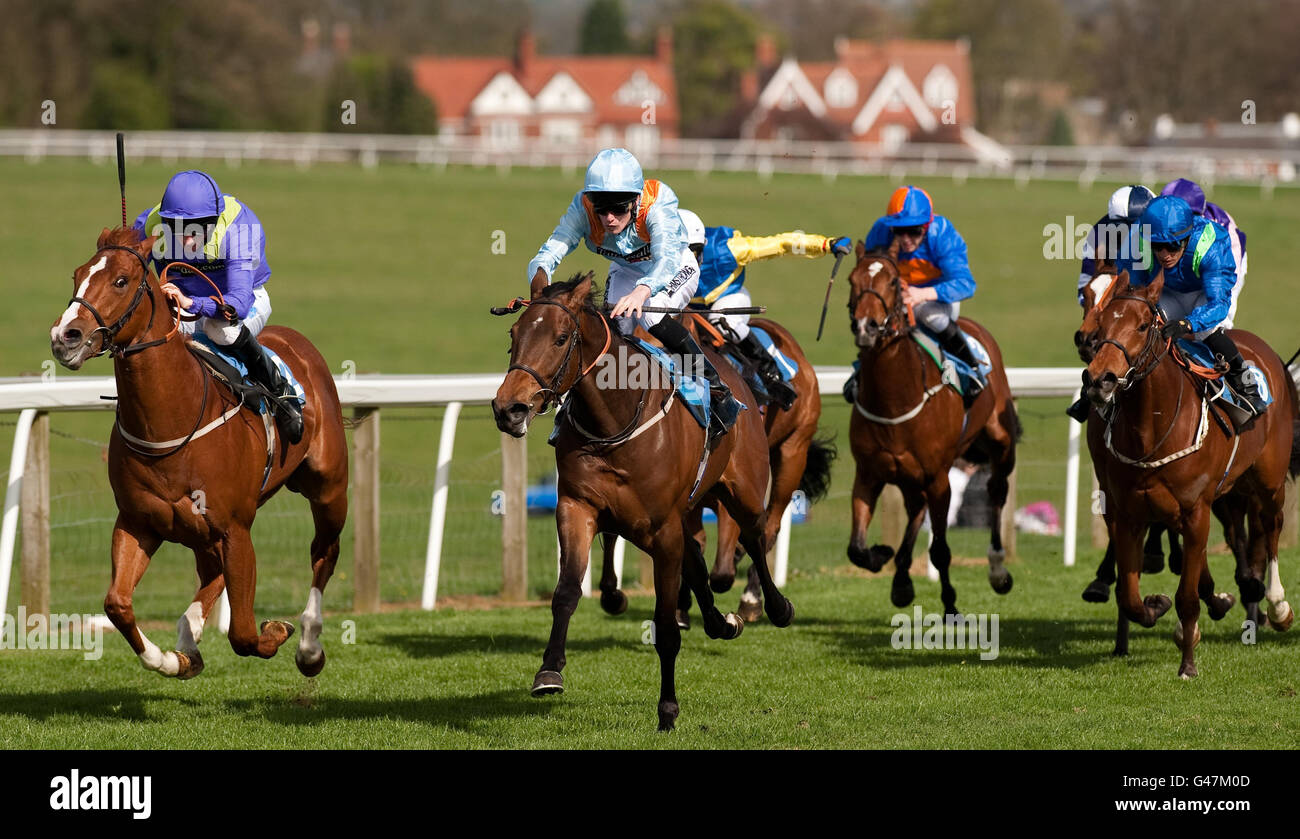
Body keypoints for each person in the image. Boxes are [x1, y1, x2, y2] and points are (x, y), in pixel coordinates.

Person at [526, 148, 743, 442]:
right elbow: (550, 251)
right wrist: (539, 283)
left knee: (651, 313)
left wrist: (642, 292)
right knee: (611, 330)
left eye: (618, 209)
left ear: (635, 200)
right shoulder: (583, 207)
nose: (609, 219)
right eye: (602, 209)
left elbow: (666, 259)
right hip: (626, 270)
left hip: (674, 266)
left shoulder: (656, 201)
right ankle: (583, 406)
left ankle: (716, 389)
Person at [133, 170, 302, 444]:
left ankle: (280, 387)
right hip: (180, 305)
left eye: (195, 230)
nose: (186, 241)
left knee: (221, 331)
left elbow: (237, 305)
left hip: (241, 302)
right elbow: (120, 262)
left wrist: (192, 303)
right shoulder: (152, 223)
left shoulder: (239, 228)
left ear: (212, 222)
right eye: (177, 228)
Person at [677, 207, 851, 409]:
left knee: (725, 324)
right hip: (687, 304)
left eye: (691, 252)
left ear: (702, 248)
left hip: (728, 298)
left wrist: (825, 244)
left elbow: (781, 244)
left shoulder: (730, 249)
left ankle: (771, 372)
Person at [1120, 195, 1266, 415]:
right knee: (1138, 325)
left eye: (1172, 246)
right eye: (1157, 247)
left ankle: (1247, 384)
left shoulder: (1211, 244)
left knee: (1207, 332)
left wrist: (1187, 324)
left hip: (1202, 293)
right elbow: (1132, 289)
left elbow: (1219, 304)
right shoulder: (1139, 239)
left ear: (1187, 238)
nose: (1164, 255)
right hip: (1166, 291)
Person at [844, 185, 980, 405]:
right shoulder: (880, 231)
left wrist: (923, 293)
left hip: (938, 298)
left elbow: (966, 284)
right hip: (897, 297)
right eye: (899, 231)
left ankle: (971, 369)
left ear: (927, 226)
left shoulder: (942, 234)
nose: (905, 239)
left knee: (929, 315)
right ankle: (861, 372)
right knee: (874, 319)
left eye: (914, 231)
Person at [1066, 184, 1156, 422]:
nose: (1126, 233)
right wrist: (1102, 311)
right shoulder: (1099, 234)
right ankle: (1092, 391)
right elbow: (1085, 283)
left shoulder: (1159, 233)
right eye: (1120, 227)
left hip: (1170, 289)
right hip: (1116, 298)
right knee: (1093, 335)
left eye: (1133, 228)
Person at [1160, 178, 1247, 328]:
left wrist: (1189, 323)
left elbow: (1220, 297)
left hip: (1217, 279)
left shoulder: (1220, 234)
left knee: (1213, 329)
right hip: (1177, 282)